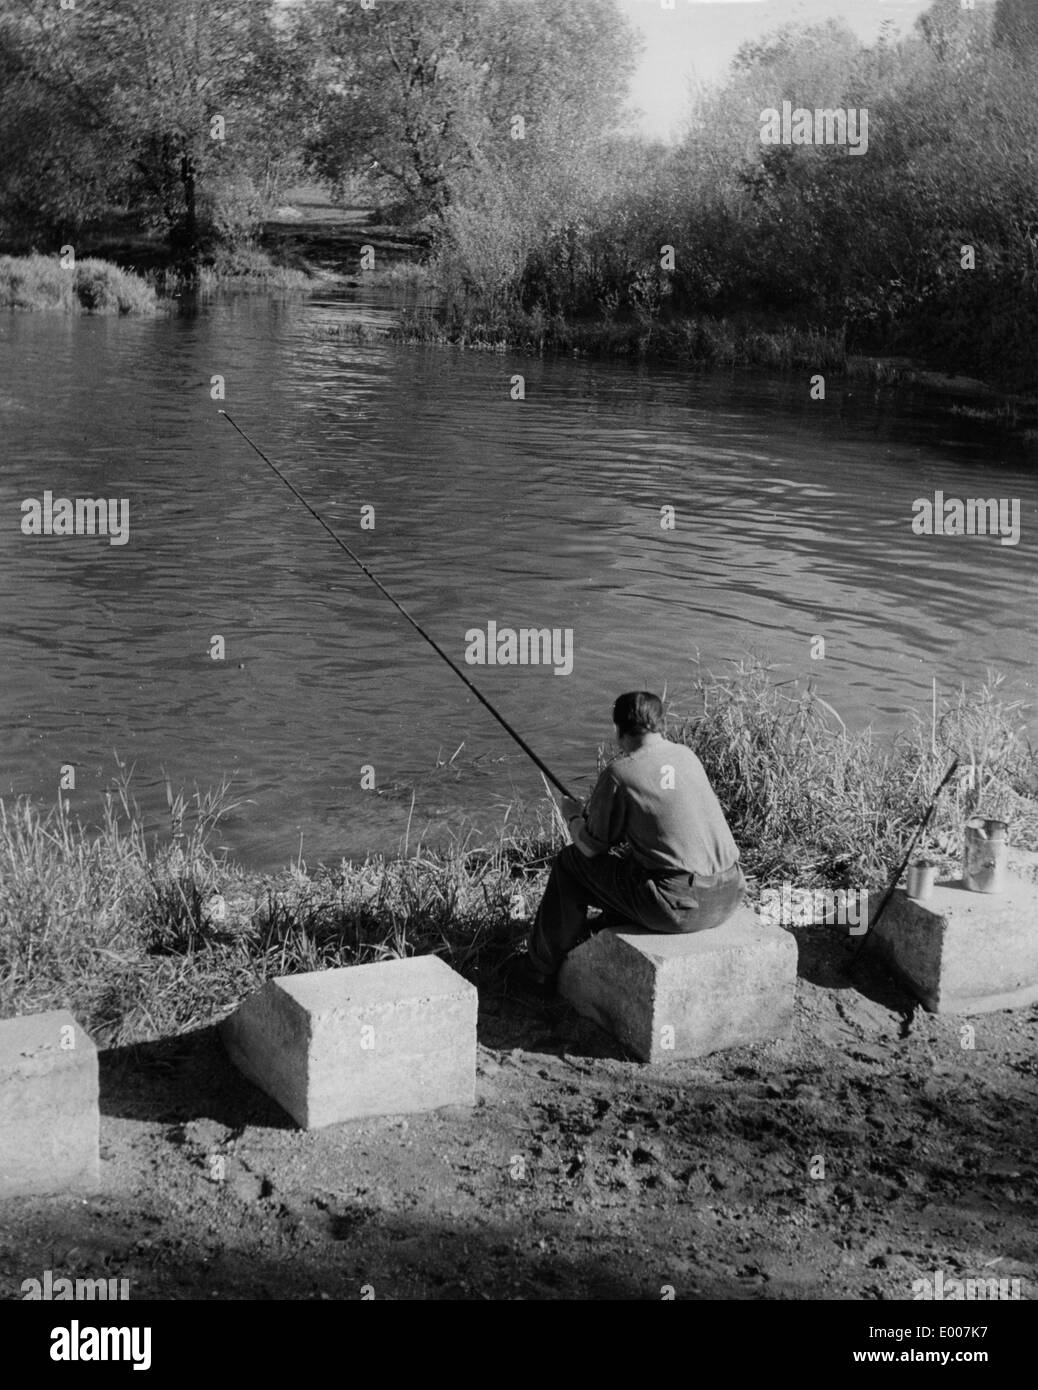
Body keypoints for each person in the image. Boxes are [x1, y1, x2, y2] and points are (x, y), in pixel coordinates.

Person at [523, 691, 745, 991]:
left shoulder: (620, 774)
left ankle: (539, 969)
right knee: (634, 865)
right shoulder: (687, 756)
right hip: (730, 894)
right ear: (660, 724)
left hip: (680, 909)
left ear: (618, 730)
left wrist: (573, 816)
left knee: (570, 862)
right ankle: (598, 927)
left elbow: (590, 847)